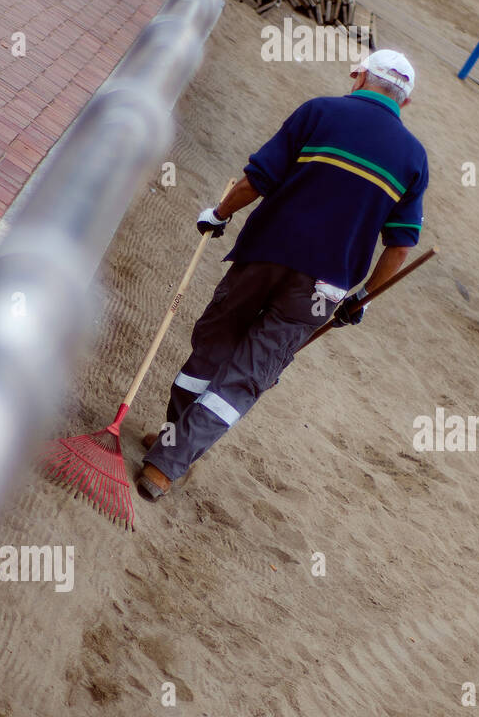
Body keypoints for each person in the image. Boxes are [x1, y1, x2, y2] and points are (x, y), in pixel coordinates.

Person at [137, 49, 429, 502]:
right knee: (247, 375)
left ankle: (170, 446)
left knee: (211, 349)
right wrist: (363, 297)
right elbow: (401, 245)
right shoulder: (413, 158)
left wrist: (218, 214)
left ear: (358, 76)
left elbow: (258, 179)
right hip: (322, 289)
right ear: (404, 103)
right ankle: (167, 461)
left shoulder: (319, 112)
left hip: (264, 255)